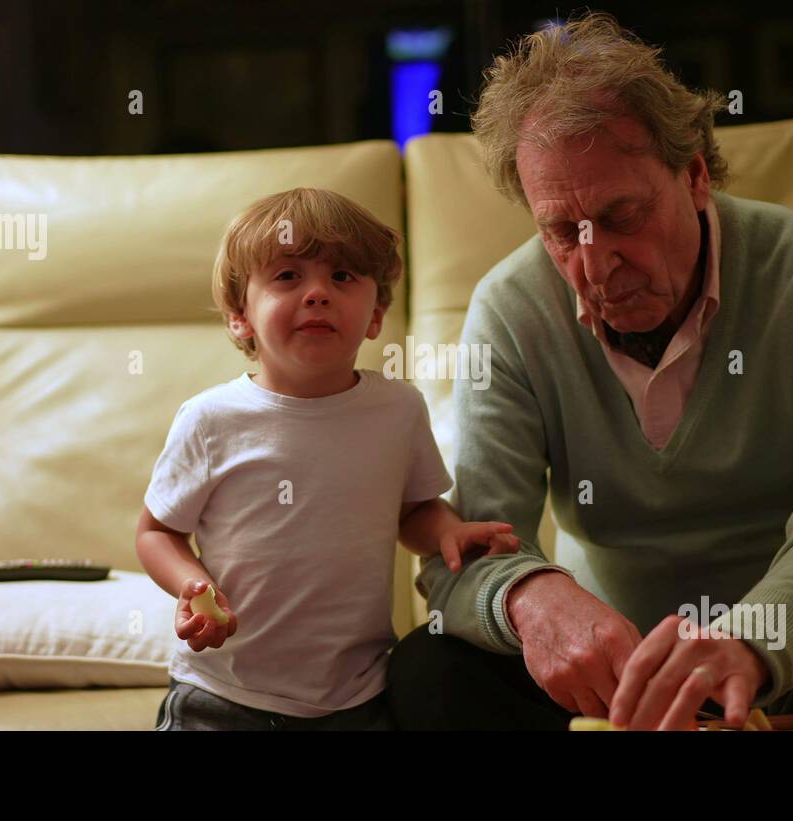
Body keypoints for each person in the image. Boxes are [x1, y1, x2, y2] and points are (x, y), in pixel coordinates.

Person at [388, 12, 793, 731]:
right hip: (621, 659)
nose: (596, 264)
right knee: (430, 669)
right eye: (562, 232)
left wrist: (750, 638)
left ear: (696, 174)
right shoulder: (512, 310)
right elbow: (468, 548)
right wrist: (527, 593)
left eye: (623, 216)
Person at [138, 188, 520, 731]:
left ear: (375, 315)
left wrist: (447, 532)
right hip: (221, 694)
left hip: (355, 698)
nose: (318, 293)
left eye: (342, 277)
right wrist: (190, 585)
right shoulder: (210, 420)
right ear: (239, 317)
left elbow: (413, 512)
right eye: (288, 276)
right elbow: (155, 532)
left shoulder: (398, 408)